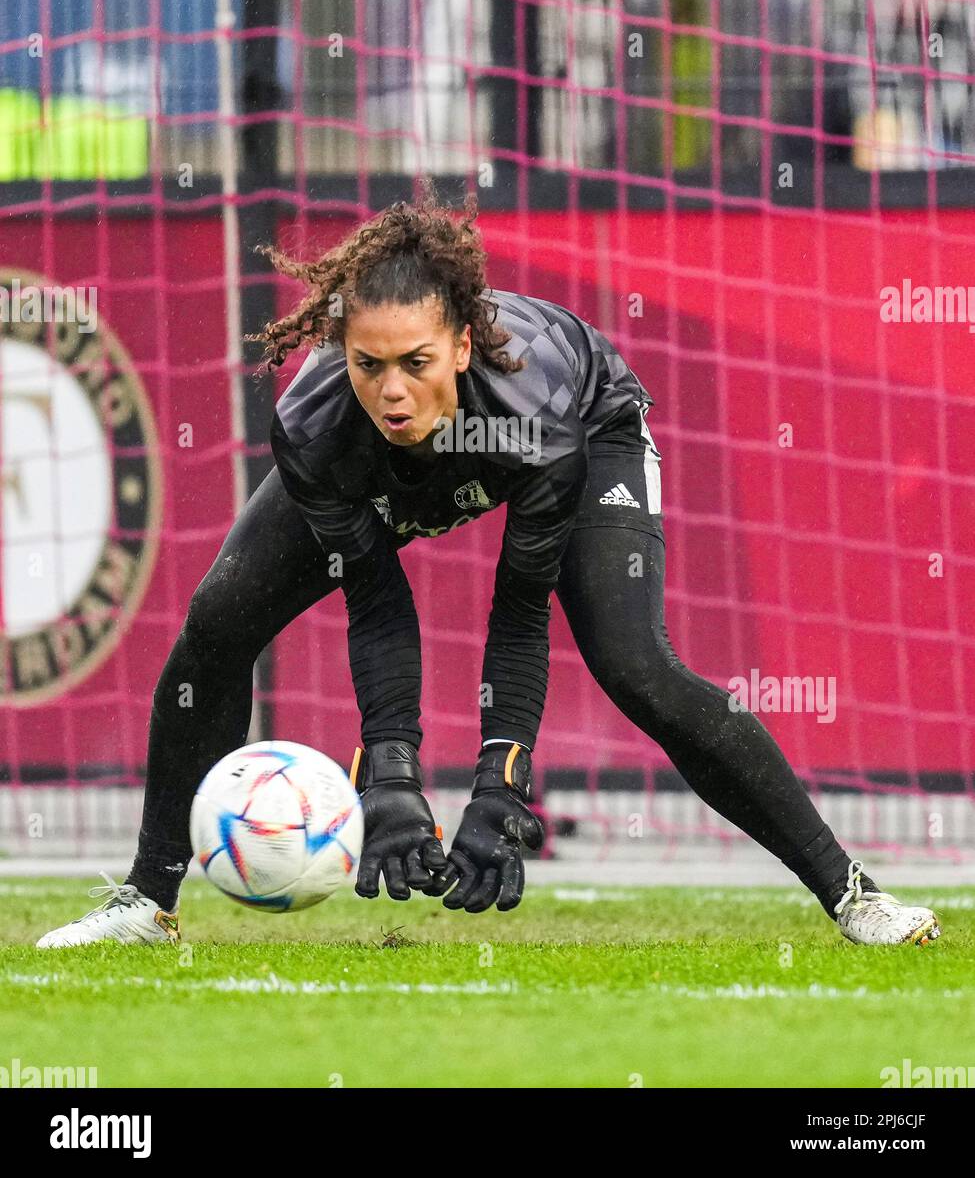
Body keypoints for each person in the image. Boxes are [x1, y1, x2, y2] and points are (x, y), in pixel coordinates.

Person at [36, 183, 940, 947]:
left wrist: (497, 785)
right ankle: (145, 903)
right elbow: (378, 605)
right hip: (397, 481)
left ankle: (854, 892)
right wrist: (388, 778)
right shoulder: (316, 428)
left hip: (592, 427)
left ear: (461, 347)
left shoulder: (535, 414)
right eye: (368, 364)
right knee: (216, 623)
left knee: (636, 666)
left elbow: (519, 613)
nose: (392, 391)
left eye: (416, 364)